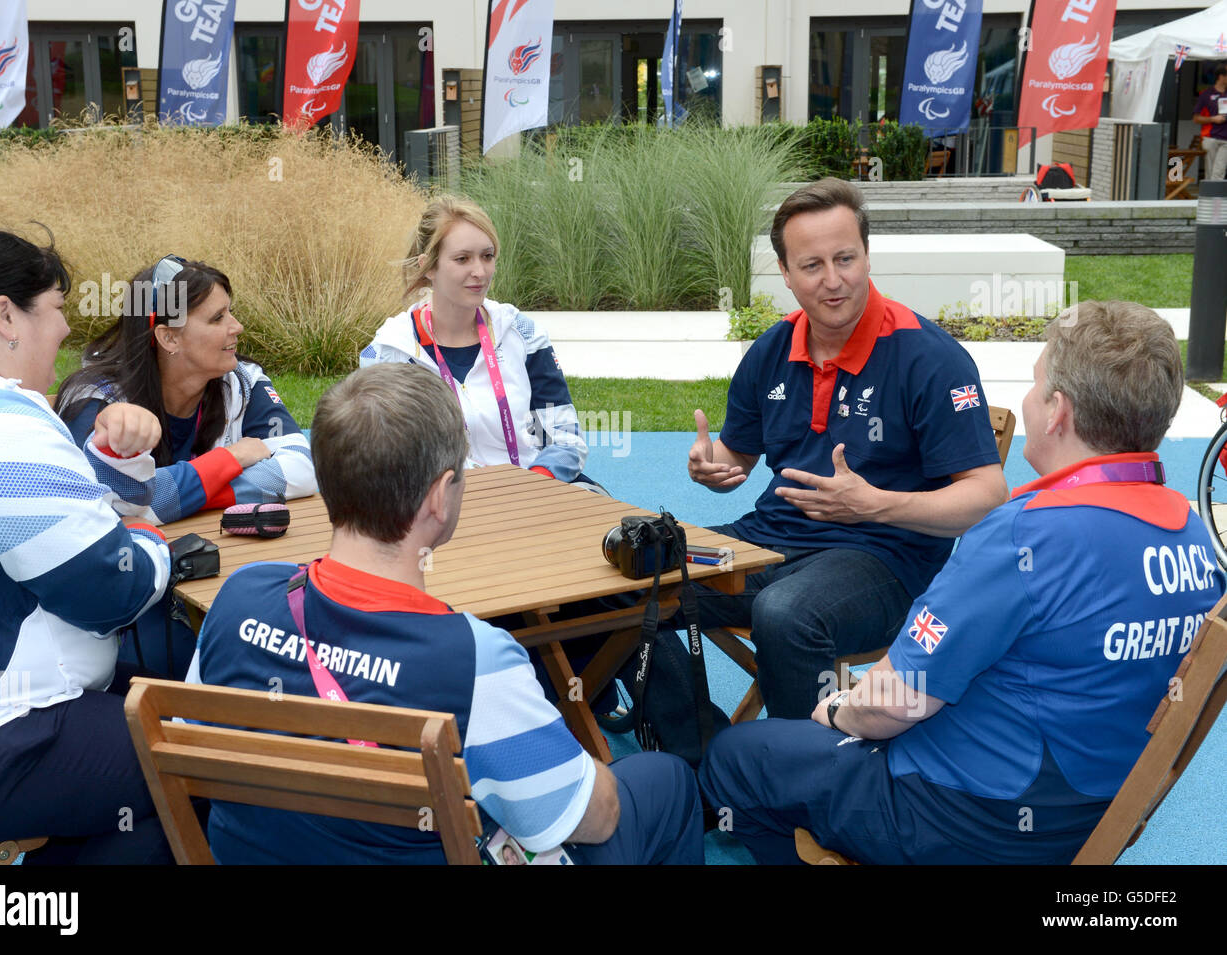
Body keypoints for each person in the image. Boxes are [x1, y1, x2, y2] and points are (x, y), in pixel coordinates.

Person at [700, 300, 1223, 865]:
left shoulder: (1028, 535)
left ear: (1057, 412)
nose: (1028, 398)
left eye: (1035, 382)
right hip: (1093, 813)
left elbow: (893, 702)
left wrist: (834, 711)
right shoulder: (1193, 536)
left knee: (737, 756)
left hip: (972, 814)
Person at [186, 363, 702, 864]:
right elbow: (593, 818)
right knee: (665, 781)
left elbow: (195, 747)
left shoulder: (238, 597)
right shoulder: (474, 660)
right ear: (439, 495)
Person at [669, 177, 1007, 726]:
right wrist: (713, 467)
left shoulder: (929, 357)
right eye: (812, 265)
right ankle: (696, 748)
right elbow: (738, 457)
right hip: (771, 541)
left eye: (845, 258)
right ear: (784, 272)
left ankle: (804, 780)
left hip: (887, 557)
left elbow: (988, 496)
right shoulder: (772, 349)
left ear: (867, 255)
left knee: (783, 614)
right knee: (643, 577)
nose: (833, 281)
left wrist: (875, 504)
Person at [0, 229, 174, 864]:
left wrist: (109, 469)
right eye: (58, 306)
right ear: (7, 315)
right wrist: (149, 538)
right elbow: (109, 593)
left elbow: (41, 525)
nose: (66, 329)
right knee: (186, 773)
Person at [58, 255, 316, 675]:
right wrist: (229, 459)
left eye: (230, 312)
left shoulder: (243, 382)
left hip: (221, 578)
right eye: (217, 318)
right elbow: (110, 510)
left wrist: (172, 496)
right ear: (169, 337)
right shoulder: (99, 399)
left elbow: (303, 467)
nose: (237, 327)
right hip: (123, 615)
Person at [360, 196, 596, 487]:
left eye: (487, 256)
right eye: (462, 259)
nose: (480, 272)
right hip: (442, 505)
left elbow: (564, 439)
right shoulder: (389, 351)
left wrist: (533, 486)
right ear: (428, 267)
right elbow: (386, 457)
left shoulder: (522, 333)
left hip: (535, 493)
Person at [1193, 64, 1227, 180]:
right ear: (1221, 77)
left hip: (1225, 139)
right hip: (1210, 137)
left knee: (1219, 172)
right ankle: (1209, 197)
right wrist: (1213, 119)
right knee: (1210, 171)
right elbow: (1196, 118)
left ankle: (1215, 197)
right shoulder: (1206, 95)